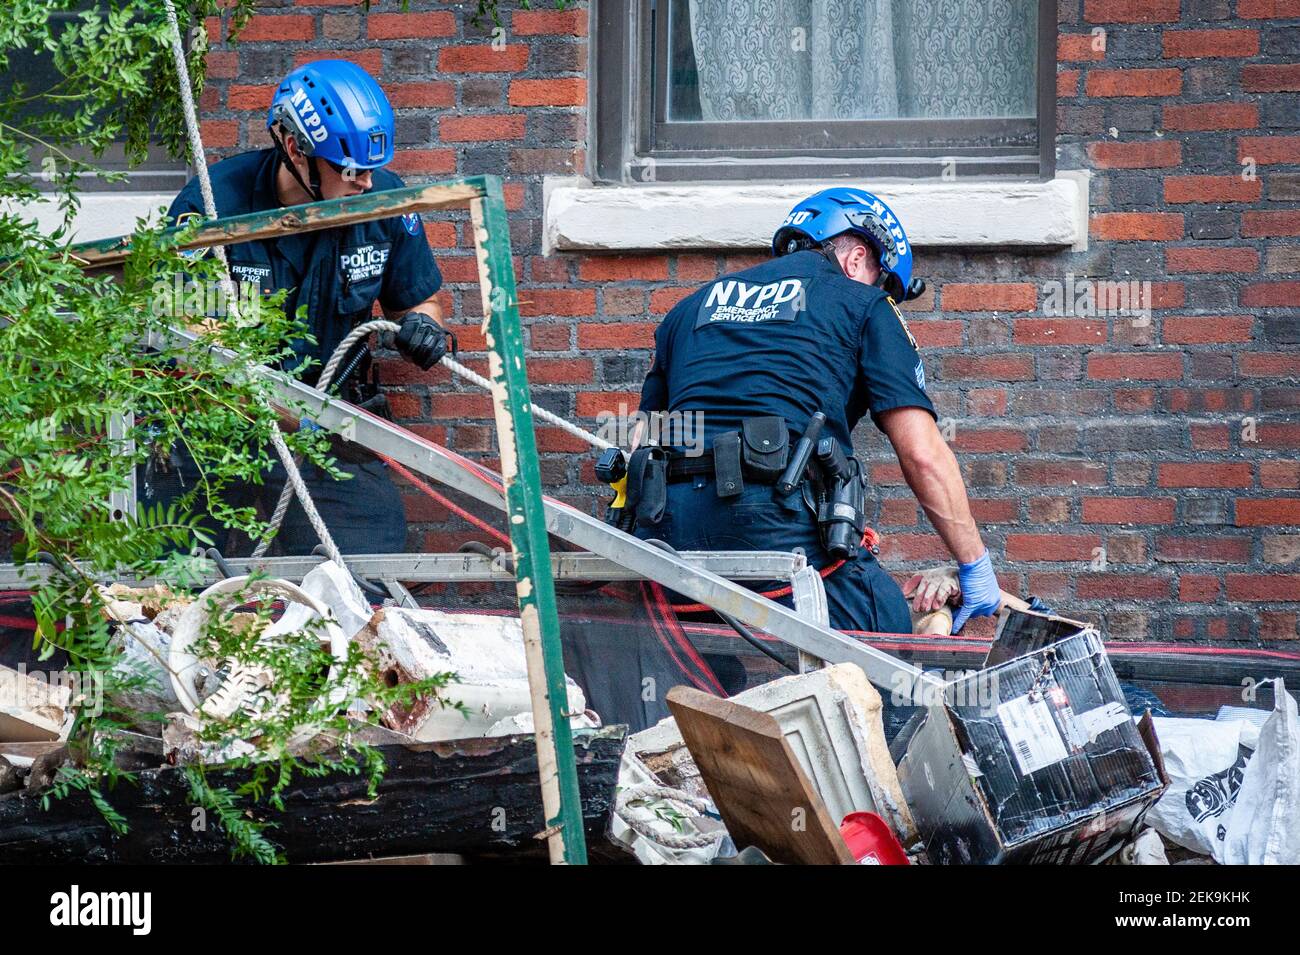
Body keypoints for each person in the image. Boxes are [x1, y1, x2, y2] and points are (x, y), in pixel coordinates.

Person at [631, 187, 1002, 635]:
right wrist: (974, 566)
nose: (880, 293)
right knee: (884, 628)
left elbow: (643, 440)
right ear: (857, 258)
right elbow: (922, 454)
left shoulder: (688, 309)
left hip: (668, 538)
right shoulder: (864, 304)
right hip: (779, 528)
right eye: (882, 281)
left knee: (710, 664)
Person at [144, 59, 453, 555]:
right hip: (212, 435)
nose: (366, 184)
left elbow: (419, 299)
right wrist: (305, 418)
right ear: (295, 149)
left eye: (371, 169)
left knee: (371, 565)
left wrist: (423, 326)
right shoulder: (211, 205)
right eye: (349, 170)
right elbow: (188, 345)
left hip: (327, 437)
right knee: (174, 584)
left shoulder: (384, 202)